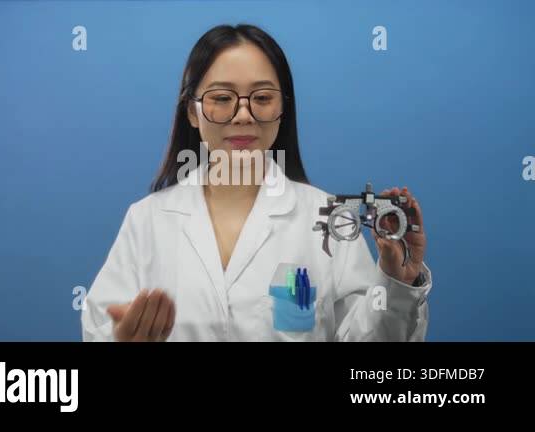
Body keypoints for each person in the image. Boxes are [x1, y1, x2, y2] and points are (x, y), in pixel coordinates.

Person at [81, 24, 431, 342]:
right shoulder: (147, 221)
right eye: (221, 99)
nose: (244, 114)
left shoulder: (328, 217)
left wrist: (396, 283)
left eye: (262, 98)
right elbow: (99, 331)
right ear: (192, 111)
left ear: (283, 109)